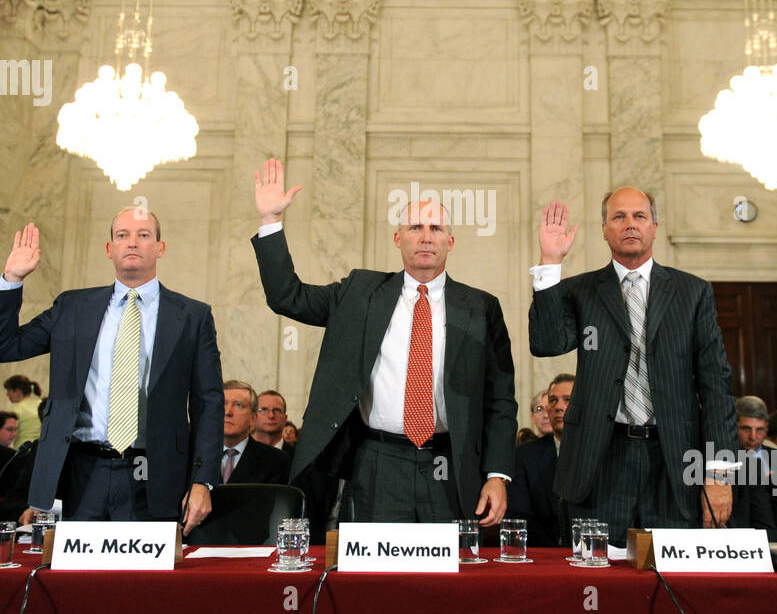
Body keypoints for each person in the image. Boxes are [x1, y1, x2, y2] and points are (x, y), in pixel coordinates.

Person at [252, 159, 516, 528]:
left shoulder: (481, 307)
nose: (426, 236)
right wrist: (270, 222)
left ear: (450, 241)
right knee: (373, 579)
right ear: (398, 238)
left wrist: (498, 474)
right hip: (376, 460)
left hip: (452, 463)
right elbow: (288, 297)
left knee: (450, 579)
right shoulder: (359, 293)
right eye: (415, 227)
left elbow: (500, 399)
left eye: (436, 228)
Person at [0, 210, 224, 532]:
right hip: (80, 472)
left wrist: (203, 480)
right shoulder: (72, 307)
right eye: (122, 235)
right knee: (78, 581)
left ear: (160, 248)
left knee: (146, 582)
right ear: (110, 248)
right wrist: (12, 280)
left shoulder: (192, 316)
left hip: (157, 473)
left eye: (143, 234)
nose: (132, 242)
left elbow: (208, 401)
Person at [529, 191, 736, 542]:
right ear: (604, 229)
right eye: (619, 217)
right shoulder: (579, 290)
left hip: (673, 462)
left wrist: (718, 474)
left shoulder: (693, 293)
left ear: (654, 227)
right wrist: (549, 263)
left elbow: (715, 383)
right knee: (597, 580)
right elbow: (546, 343)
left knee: (670, 580)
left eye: (639, 217)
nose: (630, 225)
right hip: (599, 461)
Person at [508, 375, 572, 547]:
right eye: (553, 400)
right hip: (541, 554)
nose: (559, 406)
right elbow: (518, 516)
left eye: (568, 400)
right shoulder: (524, 456)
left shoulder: (602, 454)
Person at [2, 375, 43, 448]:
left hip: (23, 452)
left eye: (9, 391)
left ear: (17, 391)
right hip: (42, 450)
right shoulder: (42, 404)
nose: (7, 394)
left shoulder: (15, 410)